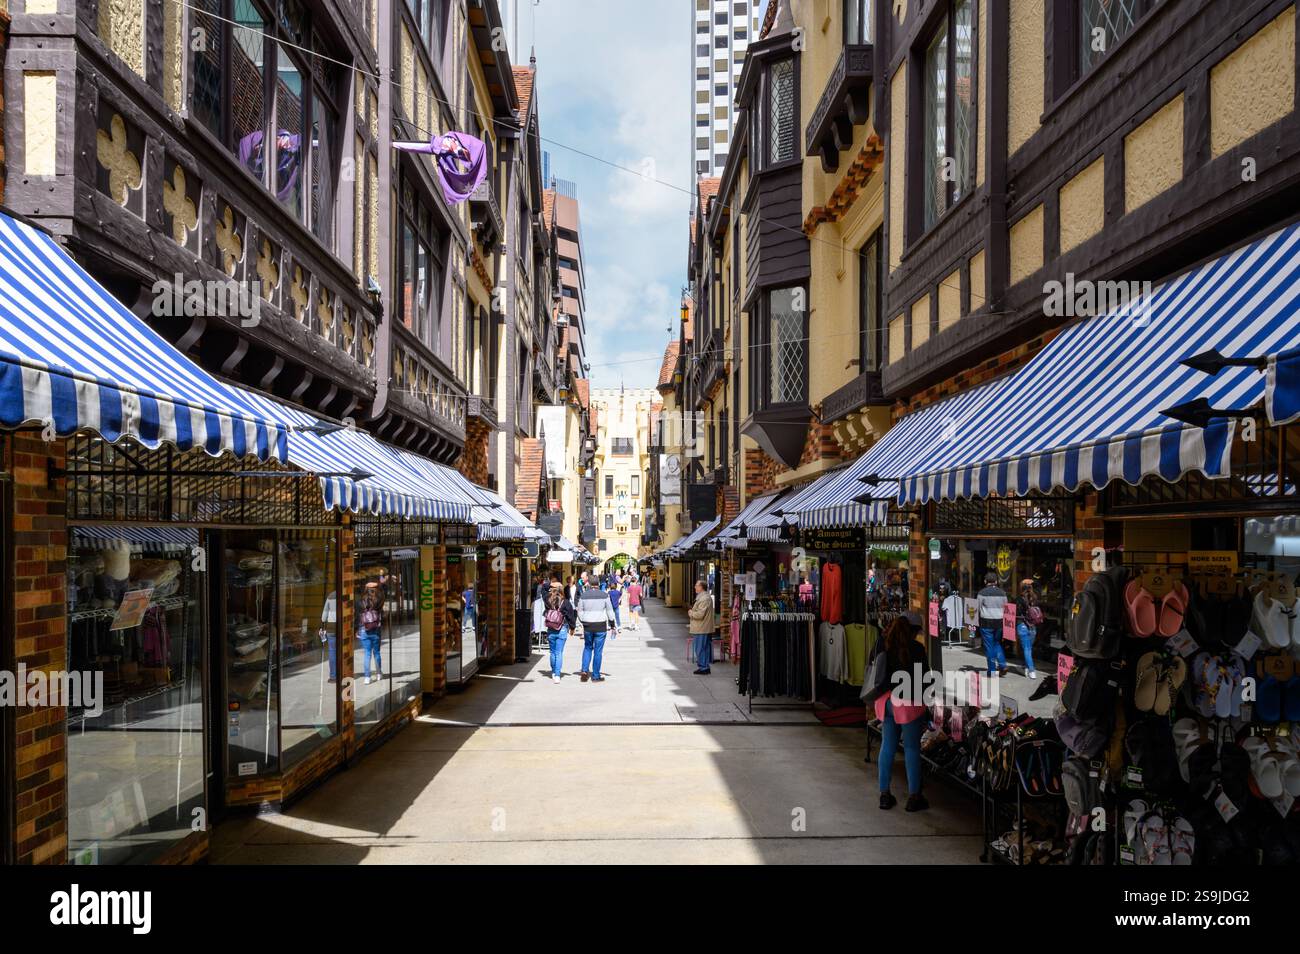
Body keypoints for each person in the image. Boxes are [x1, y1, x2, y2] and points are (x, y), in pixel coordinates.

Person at [872, 613, 930, 812]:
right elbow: (926, 680)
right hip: (909, 703)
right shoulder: (917, 649)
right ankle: (914, 797)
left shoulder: (884, 644)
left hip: (887, 702)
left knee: (887, 745)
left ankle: (884, 795)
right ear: (913, 631)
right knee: (912, 748)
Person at [577, 580, 617, 682]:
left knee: (587, 648)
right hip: (600, 626)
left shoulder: (584, 595)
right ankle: (595, 676)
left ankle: (584, 671)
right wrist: (612, 625)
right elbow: (610, 611)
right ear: (598, 584)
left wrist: (583, 621)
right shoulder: (604, 595)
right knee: (598, 651)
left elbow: (579, 611)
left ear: (589, 584)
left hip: (588, 626)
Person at [976, 571, 1009, 676]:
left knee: (989, 646)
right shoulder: (1003, 593)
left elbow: (976, 608)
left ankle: (992, 670)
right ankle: (1003, 665)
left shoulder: (982, 593)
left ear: (985, 581)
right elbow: (1006, 608)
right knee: (997, 643)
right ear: (996, 581)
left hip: (986, 622)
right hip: (999, 622)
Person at [543, 584, 577, 684]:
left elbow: (543, 590)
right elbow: (571, 616)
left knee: (552, 652)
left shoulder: (548, 601)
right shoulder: (566, 602)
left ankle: (553, 672)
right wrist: (572, 628)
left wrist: (549, 585)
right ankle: (557, 675)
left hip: (550, 629)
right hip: (562, 629)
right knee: (559, 653)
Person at [1016, 579, 1042, 680]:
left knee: (1026, 649)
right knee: (1028, 648)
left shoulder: (1019, 599)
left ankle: (1031, 670)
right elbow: (1039, 587)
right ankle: (1025, 667)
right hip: (1033, 627)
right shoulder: (1035, 598)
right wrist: (1033, 581)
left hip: (1022, 626)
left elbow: (1016, 612)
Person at [688, 579, 715, 675]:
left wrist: (691, 613)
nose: (695, 587)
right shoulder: (703, 597)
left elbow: (700, 614)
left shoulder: (704, 598)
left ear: (701, 587)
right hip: (703, 627)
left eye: (696, 585)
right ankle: (705, 666)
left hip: (701, 628)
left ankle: (703, 667)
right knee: (704, 648)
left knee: (700, 648)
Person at [358, 588, 383, 685]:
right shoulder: (377, 604)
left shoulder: (360, 604)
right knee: (376, 653)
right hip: (375, 630)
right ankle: (378, 674)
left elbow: (357, 617)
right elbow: (382, 596)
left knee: (367, 654)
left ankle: (367, 677)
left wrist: (357, 629)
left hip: (364, 630)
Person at [531, 585, 548, 651]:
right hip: (545, 625)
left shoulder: (534, 603)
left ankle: (538, 638)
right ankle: (542, 639)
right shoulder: (547, 602)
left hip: (536, 625)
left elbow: (532, 614)